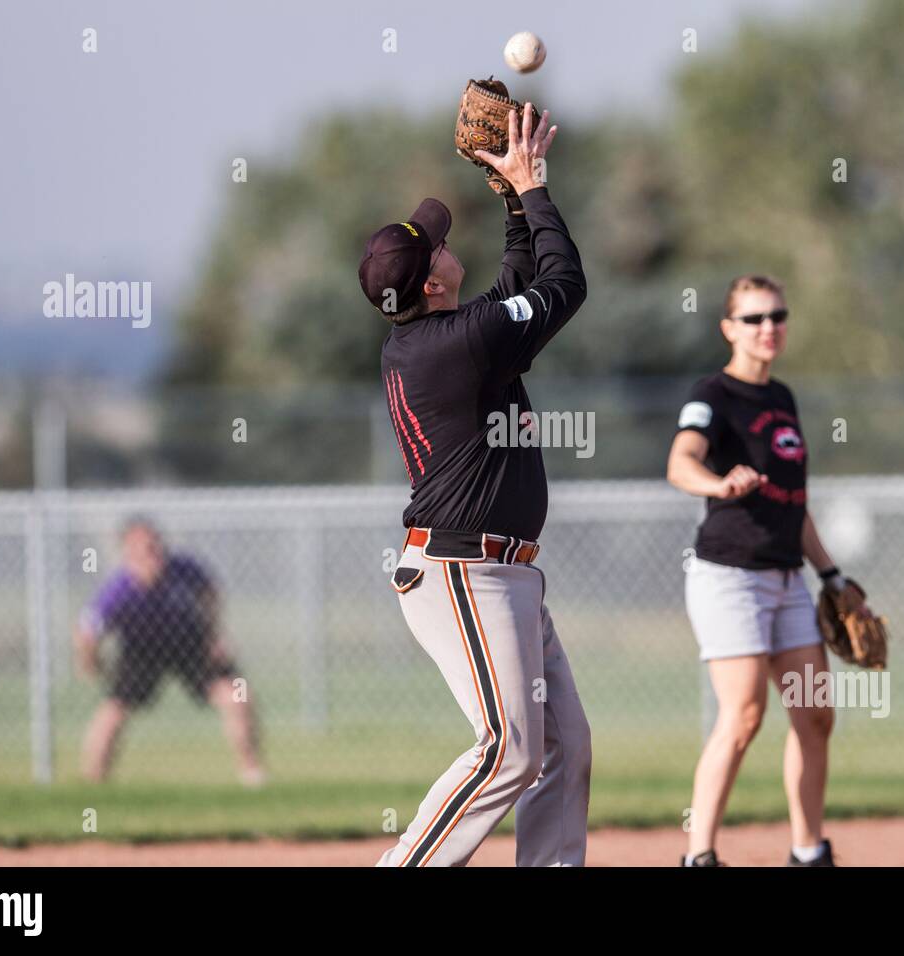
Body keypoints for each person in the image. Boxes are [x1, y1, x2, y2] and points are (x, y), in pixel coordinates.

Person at [357, 103, 592, 866]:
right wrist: (533, 189)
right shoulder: (457, 345)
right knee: (509, 750)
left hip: (499, 572)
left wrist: (513, 201)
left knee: (563, 745)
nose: (446, 241)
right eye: (438, 245)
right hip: (462, 571)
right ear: (432, 283)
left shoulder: (444, 339)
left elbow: (518, 286)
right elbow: (564, 284)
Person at [667, 274, 878, 867]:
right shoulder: (713, 394)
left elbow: (794, 503)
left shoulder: (782, 398)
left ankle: (808, 851)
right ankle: (699, 856)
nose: (769, 328)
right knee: (744, 715)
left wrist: (833, 577)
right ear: (729, 328)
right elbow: (680, 462)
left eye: (777, 316)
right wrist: (718, 483)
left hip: (788, 579)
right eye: (754, 318)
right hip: (730, 576)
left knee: (815, 715)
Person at [75, 516, 264, 785]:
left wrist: (216, 635)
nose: (152, 554)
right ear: (127, 554)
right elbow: (86, 631)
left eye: (155, 546)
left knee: (239, 695)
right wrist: (91, 663)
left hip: (191, 645)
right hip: (141, 653)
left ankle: (253, 774)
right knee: (111, 713)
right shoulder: (117, 591)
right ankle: (93, 784)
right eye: (143, 549)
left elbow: (211, 594)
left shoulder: (185, 570)